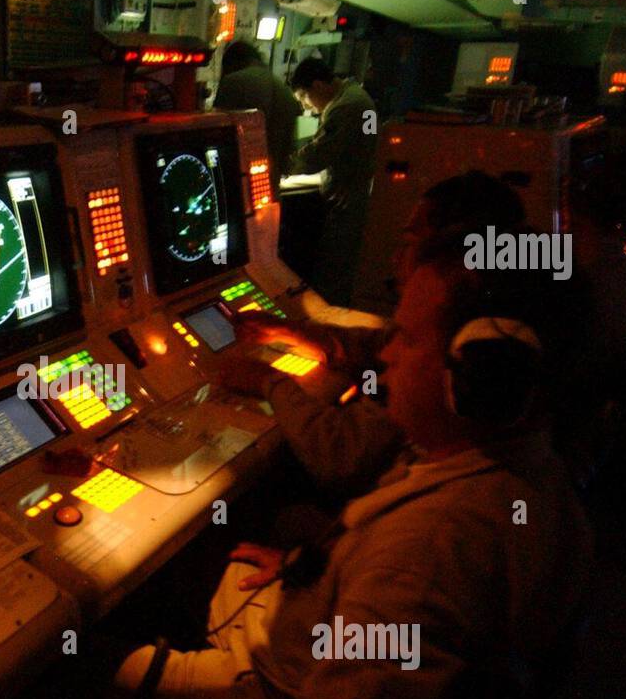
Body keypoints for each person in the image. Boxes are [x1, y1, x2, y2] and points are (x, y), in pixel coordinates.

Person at [110, 227, 596, 699]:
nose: (385, 353)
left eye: (408, 336)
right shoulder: (532, 479)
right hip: (312, 662)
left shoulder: (424, 558)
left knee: (84, 678)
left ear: (480, 381)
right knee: (222, 561)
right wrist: (310, 566)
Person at [222, 171, 530, 495]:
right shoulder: (489, 323)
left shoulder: (453, 352)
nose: (396, 257)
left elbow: (341, 454)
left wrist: (269, 381)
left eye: (411, 242)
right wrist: (297, 332)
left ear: (450, 252)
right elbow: (379, 344)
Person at [287, 57, 378, 306]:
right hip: (357, 193)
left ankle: (327, 330)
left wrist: (284, 167)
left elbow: (319, 154)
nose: (307, 107)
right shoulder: (360, 98)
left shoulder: (346, 107)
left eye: (304, 97)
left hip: (346, 199)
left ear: (318, 86)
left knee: (333, 271)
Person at [214, 40, 301, 183]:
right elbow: (288, 153)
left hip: (239, 182)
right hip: (270, 182)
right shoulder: (283, 89)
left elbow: (218, 133)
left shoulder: (233, 82)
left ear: (231, 62)